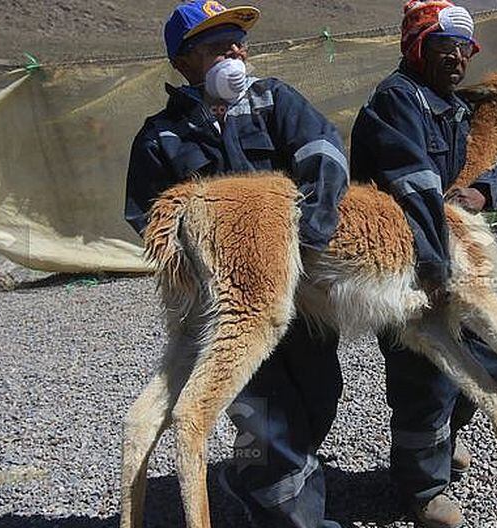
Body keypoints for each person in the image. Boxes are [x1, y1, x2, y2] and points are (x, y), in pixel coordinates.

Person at [124, 2, 349, 527]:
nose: (234, 52)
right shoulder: (161, 136)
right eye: (216, 45)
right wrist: (197, 274)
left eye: (238, 42)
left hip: (295, 287)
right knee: (257, 415)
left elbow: (325, 154)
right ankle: (280, 505)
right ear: (183, 62)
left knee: (319, 392)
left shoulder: (275, 101)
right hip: (227, 302)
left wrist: (311, 235)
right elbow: (148, 216)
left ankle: (256, 479)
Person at [349, 2, 497, 527]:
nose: (457, 57)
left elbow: (495, 165)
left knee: (492, 353)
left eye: (464, 48)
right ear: (418, 47)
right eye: (445, 45)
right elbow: (413, 187)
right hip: (408, 262)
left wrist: (483, 192)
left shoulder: (457, 108)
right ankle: (421, 488)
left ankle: (445, 436)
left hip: (455, 255)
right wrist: (435, 269)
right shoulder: (396, 102)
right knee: (422, 374)